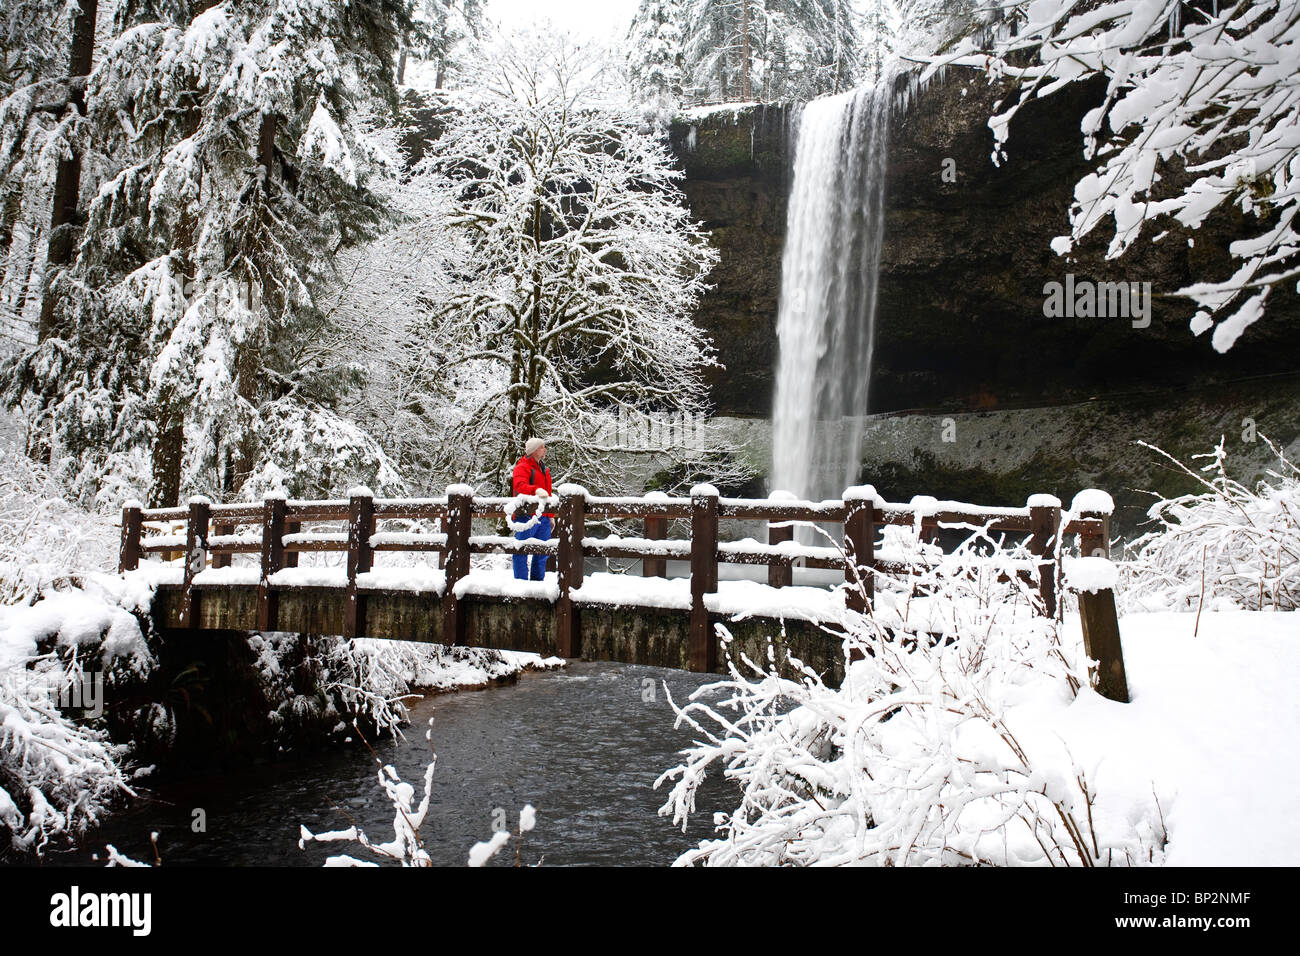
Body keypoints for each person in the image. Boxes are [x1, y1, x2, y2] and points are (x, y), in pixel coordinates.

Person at [511, 437, 553, 580]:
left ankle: (536, 587)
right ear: (534, 450)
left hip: (544, 518)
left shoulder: (544, 469)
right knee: (520, 552)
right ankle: (521, 586)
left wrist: (551, 515)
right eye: (542, 447)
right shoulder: (522, 467)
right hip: (526, 516)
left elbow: (548, 494)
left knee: (542, 554)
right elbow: (519, 486)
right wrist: (536, 490)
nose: (544, 449)